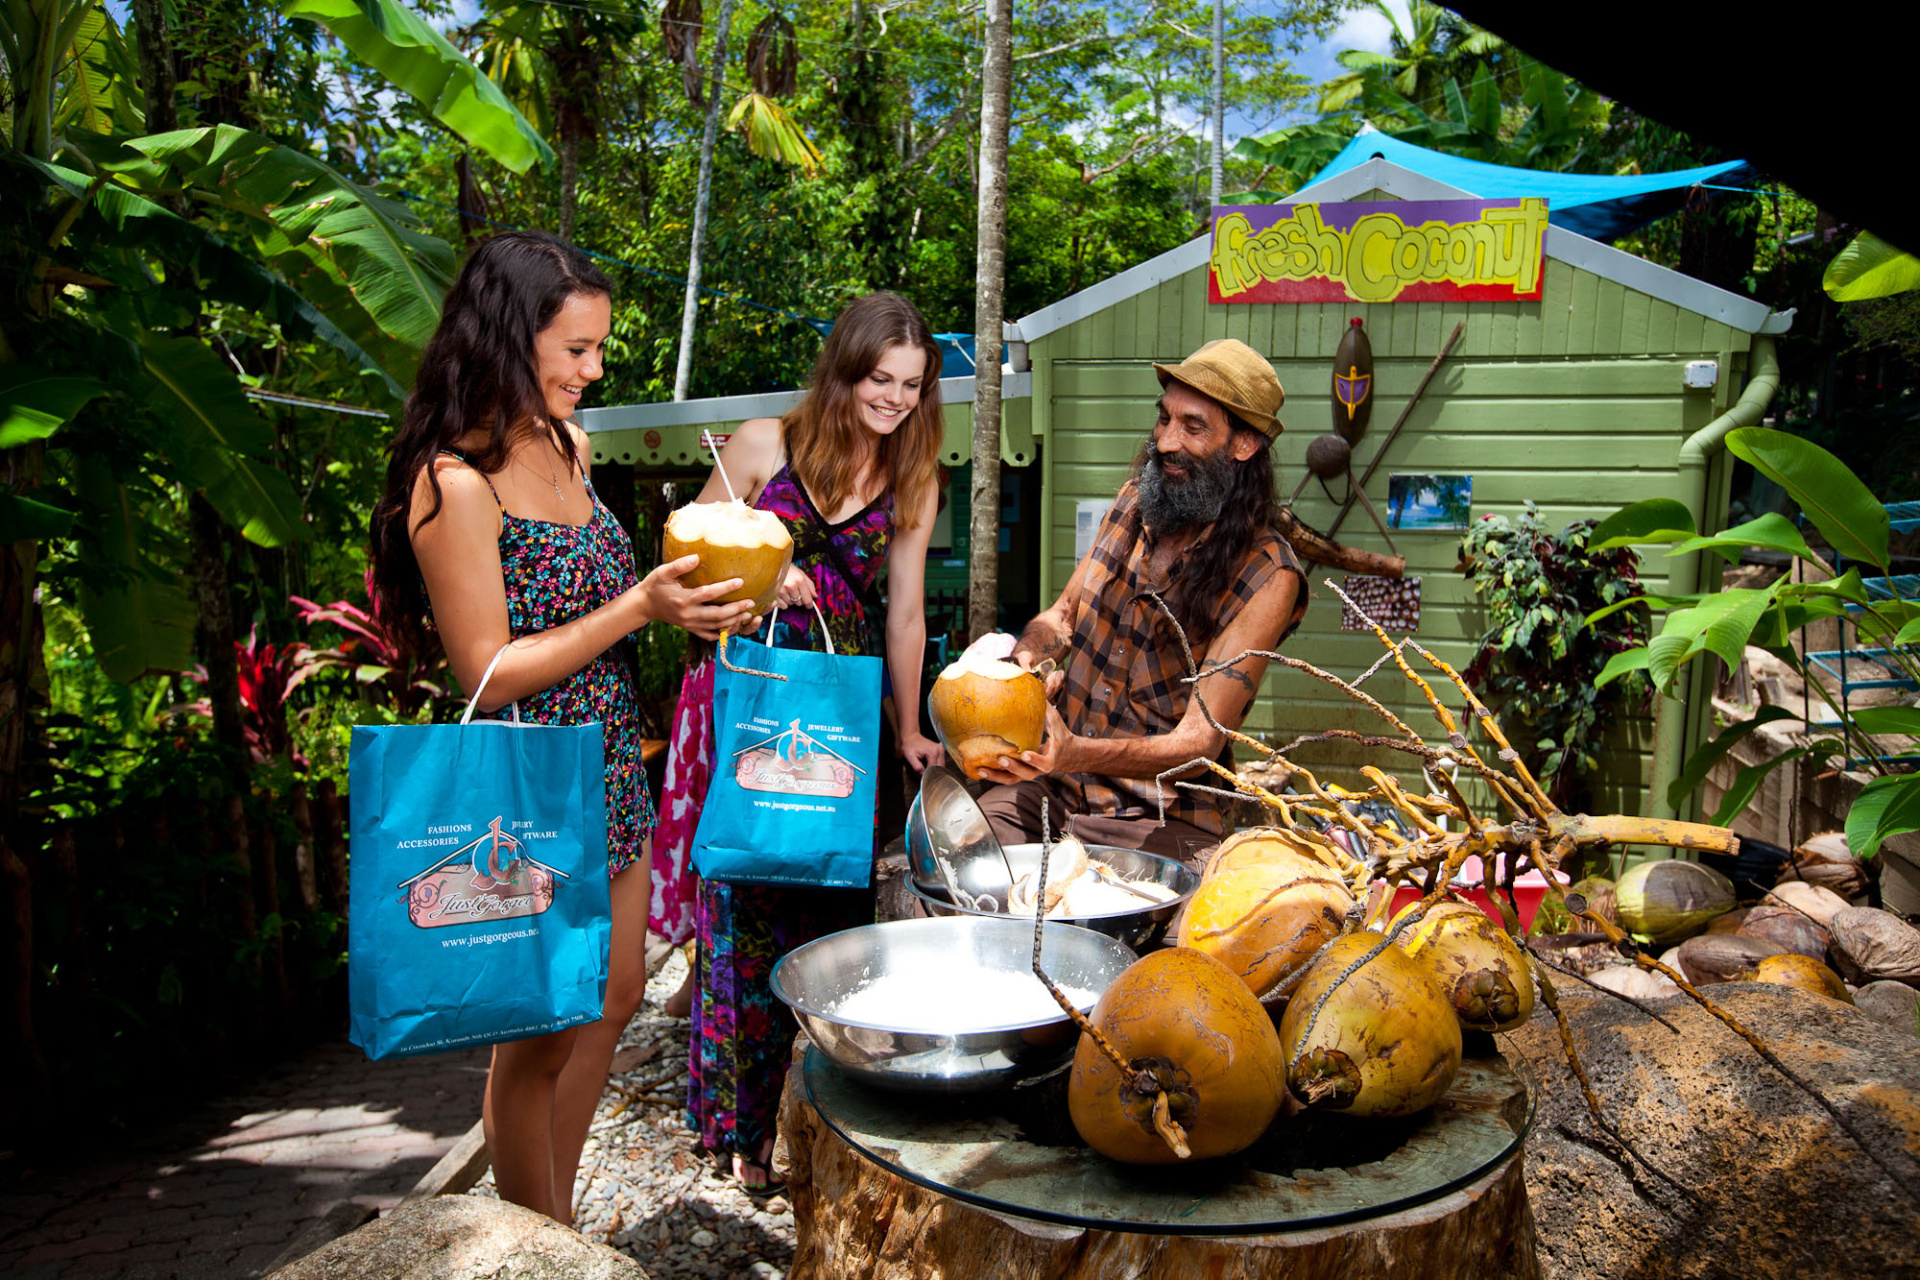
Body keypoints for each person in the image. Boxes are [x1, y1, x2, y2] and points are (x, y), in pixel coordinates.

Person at [367, 231, 757, 1223]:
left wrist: (696, 601)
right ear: (508, 337)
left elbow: (606, 599)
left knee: (615, 992)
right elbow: (488, 672)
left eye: (598, 349)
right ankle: (531, 1239)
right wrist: (640, 608)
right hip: (527, 785)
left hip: (609, 764)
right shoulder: (455, 482)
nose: (593, 369)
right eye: (576, 349)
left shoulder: (566, 444)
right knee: (537, 1028)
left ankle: (560, 1214)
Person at [649, 291, 946, 1191]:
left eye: (912, 385)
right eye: (879, 379)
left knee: (831, 915)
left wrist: (913, 727)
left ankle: (822, 1120)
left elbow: (904, 613)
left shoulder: (916, 474)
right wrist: (765, 574)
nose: (894, 400)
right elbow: (682, 559)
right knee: (742, 910)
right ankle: (741, 1134)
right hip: (750, 703)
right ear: (845, 370)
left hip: (844, 717)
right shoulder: (759, 445)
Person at [976, 339, 1308, 866]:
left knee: (1171, 935)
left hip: (1157, 818)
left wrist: (1076, 753)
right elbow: (1061, 617)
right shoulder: (1133, 503)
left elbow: (1200, 742)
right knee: (965, 868)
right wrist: (1026, 661)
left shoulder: (1270, 575)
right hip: (1051, 788)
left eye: (1193, 427)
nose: (1167, 442)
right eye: (1164, 419)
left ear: (1243, 445)